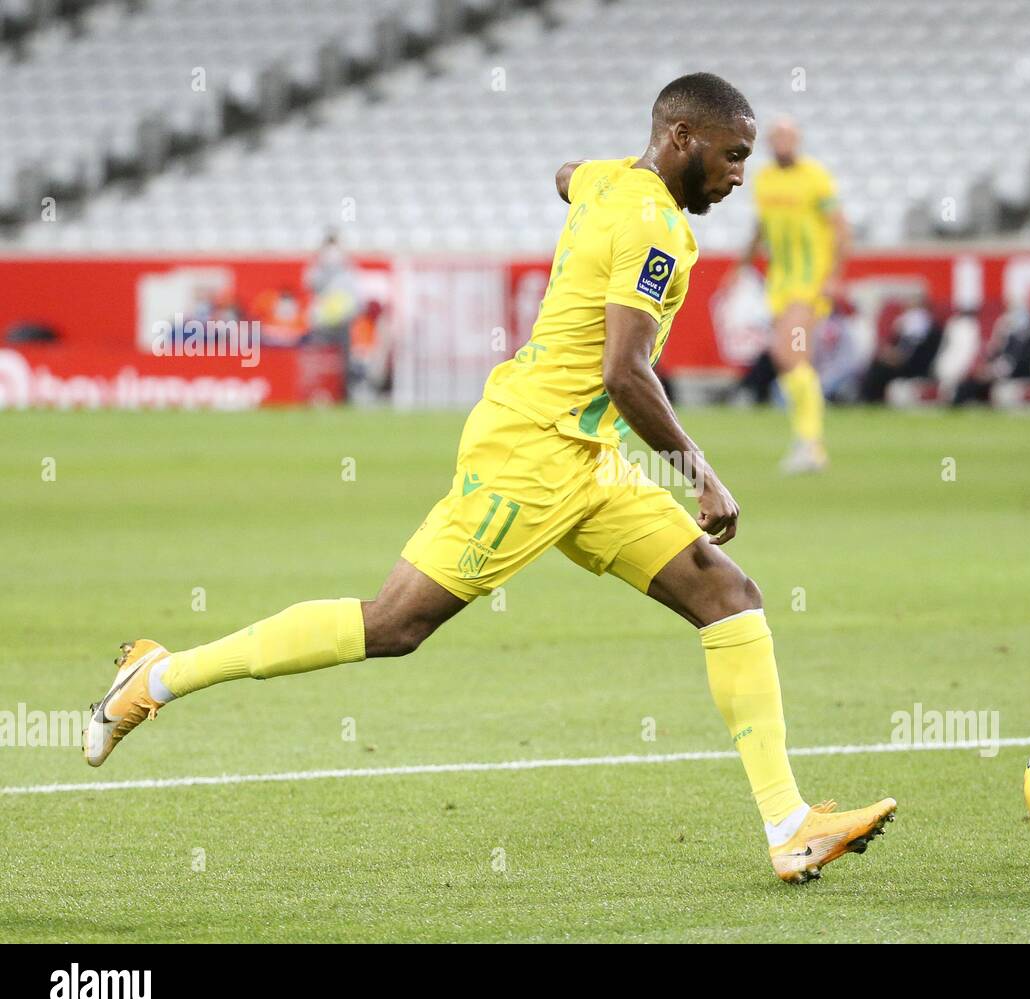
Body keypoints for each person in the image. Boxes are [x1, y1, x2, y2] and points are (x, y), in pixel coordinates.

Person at [83, 73, 895, 886]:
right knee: (394, 624)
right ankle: (155, 676)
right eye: (730, 155)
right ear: (681, 137)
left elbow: (564, 173)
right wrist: (701, 473)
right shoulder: (654, 228)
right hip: (532, 453)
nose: (739, 175)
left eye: (748, 159)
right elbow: (625, 370)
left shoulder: (613, 181)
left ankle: (789, 824)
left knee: (728, 595)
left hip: (589, 458)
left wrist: (597, 187)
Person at [728, 117, 848, 474]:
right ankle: (809, 442)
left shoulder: (816, 177)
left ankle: (810, 443)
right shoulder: (763, 180)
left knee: (788, 354)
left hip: (808, 283)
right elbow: (761, 227)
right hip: (778, 284)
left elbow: (840, 228)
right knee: (793, 361)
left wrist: (834, 277)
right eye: (777, 136)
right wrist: (743, 265)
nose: (783, 141)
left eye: (789, 135)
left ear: (798, 140)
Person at [859, 294, 944, 403]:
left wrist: (896, 357)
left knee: (879, 369)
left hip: (915, 366)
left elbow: (914, 351)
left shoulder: (921, 322)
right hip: (906, 361)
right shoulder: (909, 323)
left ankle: (870, 399)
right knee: (877, 365)